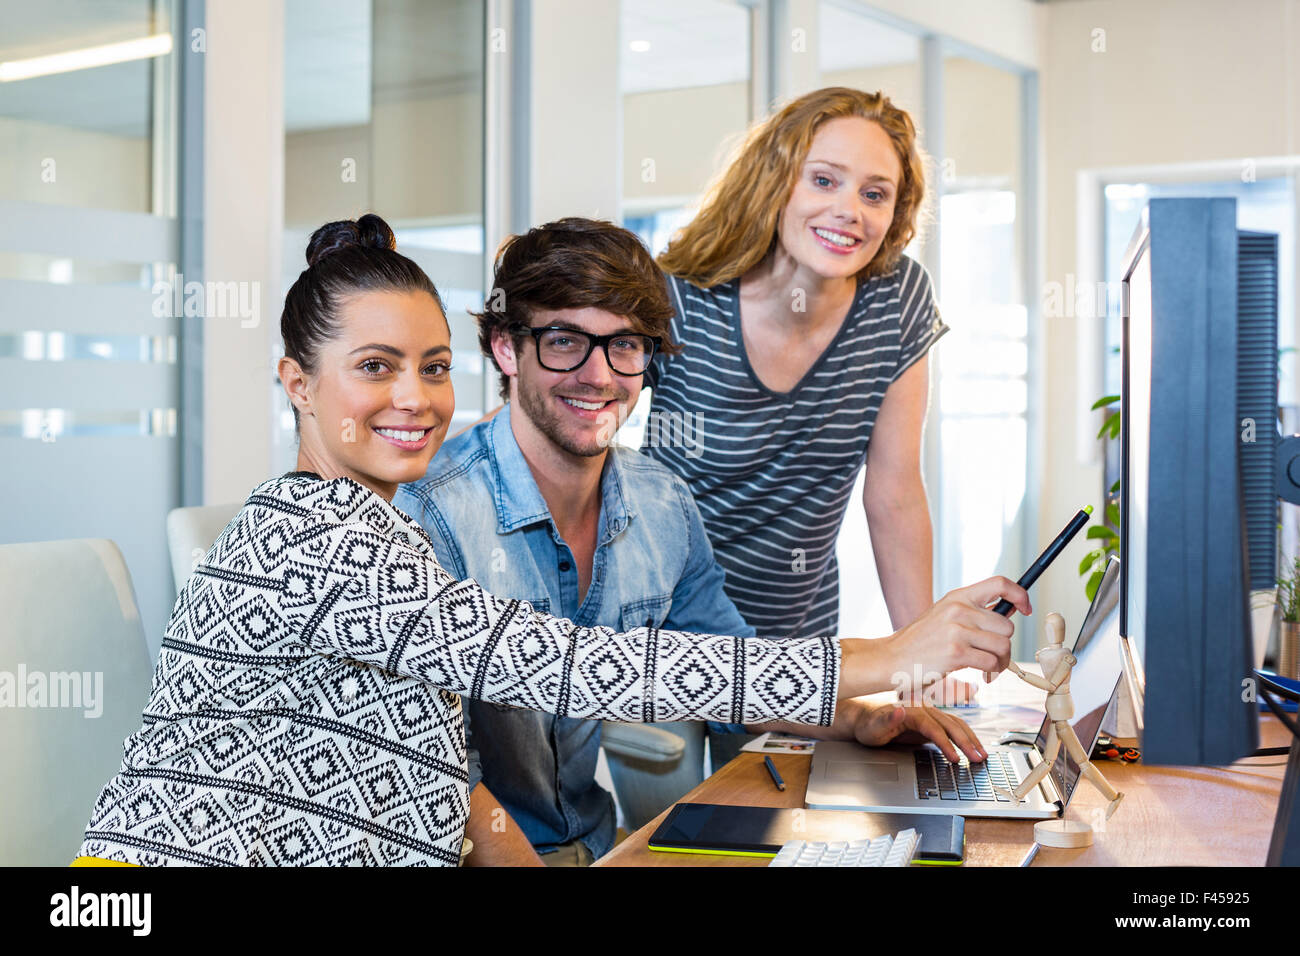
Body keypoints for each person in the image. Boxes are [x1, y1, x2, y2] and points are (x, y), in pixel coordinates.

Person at [74, 213, 1030, 867]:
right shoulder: (323, 537)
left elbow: (707, 657)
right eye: (375, 368)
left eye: (429, 368)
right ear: (296, 383)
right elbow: (565, 667)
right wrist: (884, 655)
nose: (413, 399)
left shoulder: (369, 523)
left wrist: (860, 705)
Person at [395, 218, 991, 866]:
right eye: (565, 341)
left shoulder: (661, 504)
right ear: (507, 349)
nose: (598, 375)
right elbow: (442, 769)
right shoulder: (430, 513)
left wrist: (859, 718)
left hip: (599, 848)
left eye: (624, 345)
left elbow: (733, 667)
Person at [649, 87, 947, 660]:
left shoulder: (898, 299)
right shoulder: (681, 295)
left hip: (794, 645)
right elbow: (576, 413)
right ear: (776, 181)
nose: (849, 210)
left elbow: (896, 493)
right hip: (662, 633)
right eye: (824, 180)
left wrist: (922, 656)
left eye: (875, 193)